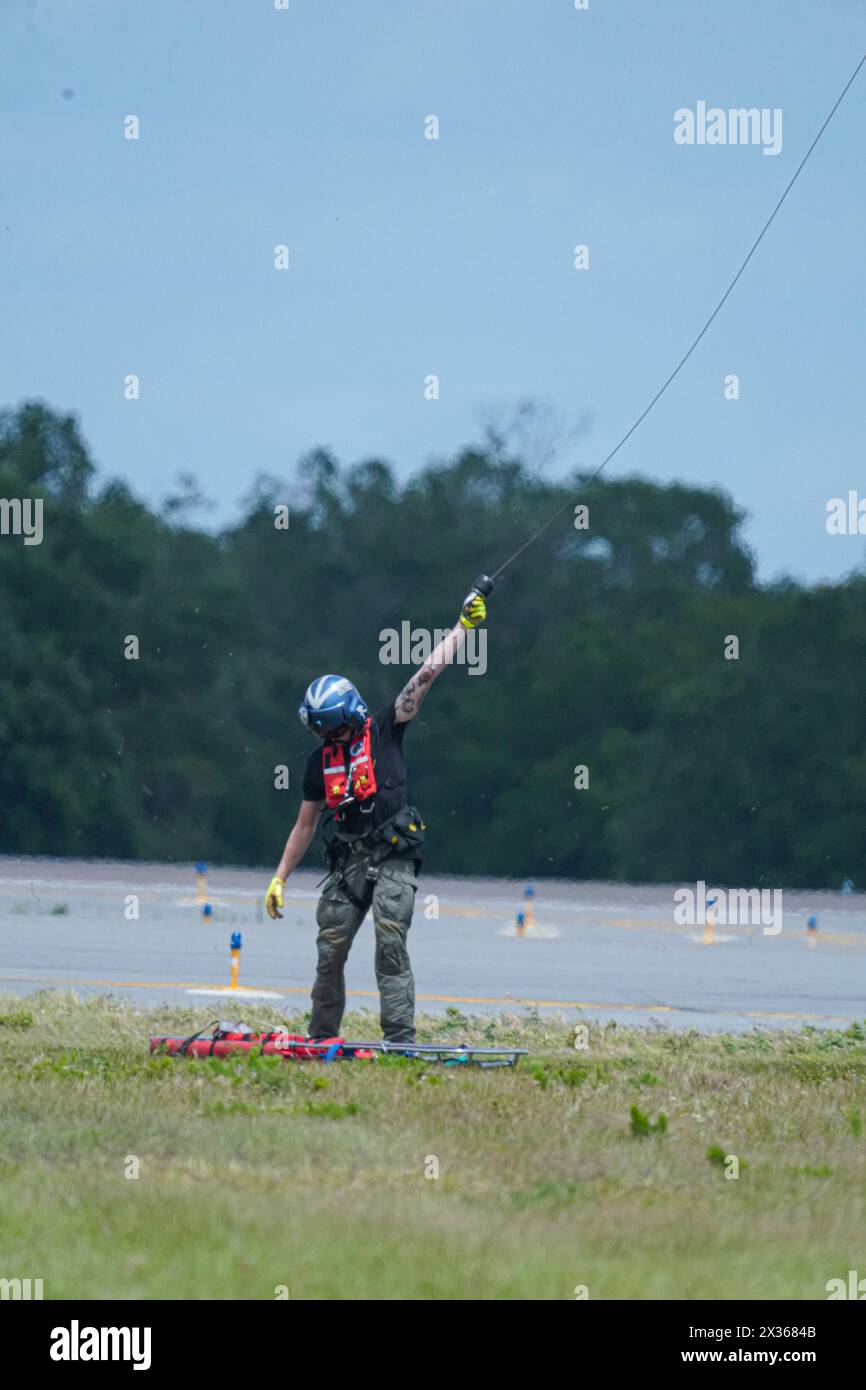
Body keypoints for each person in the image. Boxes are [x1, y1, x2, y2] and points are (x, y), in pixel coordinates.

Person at [264, 582, 489, 1043]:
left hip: (392, 858)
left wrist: (463, 626)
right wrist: (280, 877)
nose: (327, 739)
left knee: (390, 944)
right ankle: (322, 1037)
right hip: (348, 864)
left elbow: (427, 673)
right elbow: (305, 824)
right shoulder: (318, 764)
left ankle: (399, 1040)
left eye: (331, 730)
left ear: (346, 719)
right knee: (329, 949)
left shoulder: (386, 729)